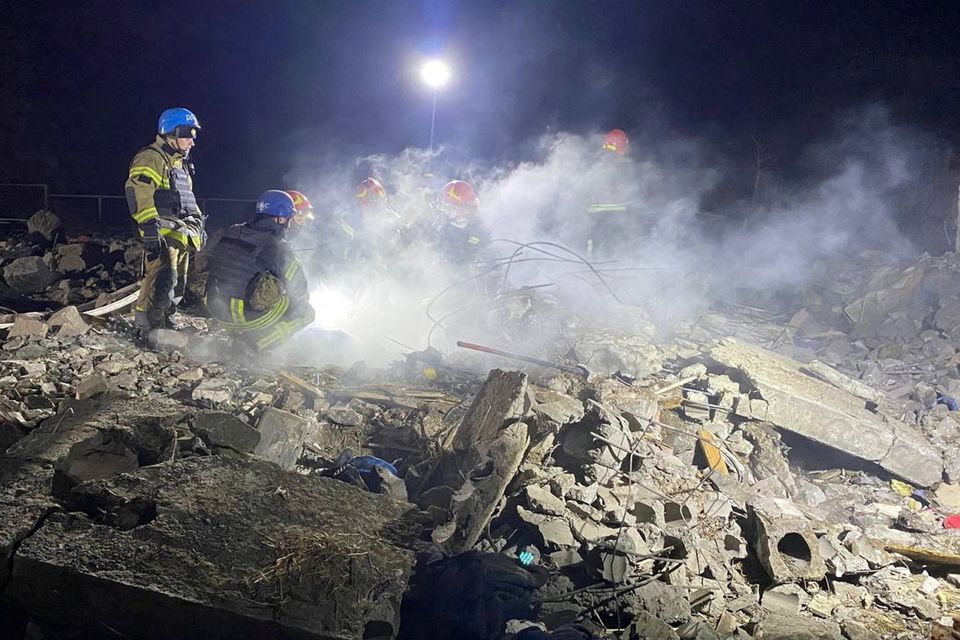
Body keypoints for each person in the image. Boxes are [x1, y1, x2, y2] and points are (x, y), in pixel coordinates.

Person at [125, 107, 206, 341]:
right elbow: (139, 191)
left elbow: (186, 198)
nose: (192, 141)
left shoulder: (180, 163)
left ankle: (166, 322)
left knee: (176, 281)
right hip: (161, 232)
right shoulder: (151, 157)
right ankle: (146, 328)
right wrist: (148, 228)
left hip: (180, 232)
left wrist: (198, 225)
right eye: (188, 134)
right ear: (171, 132)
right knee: (160, 279)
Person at [205, 190, 314, 353]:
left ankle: (241, 332)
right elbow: (300, 290)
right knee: (306, 312)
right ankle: (254, 345)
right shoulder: (278, 247)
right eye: (290, 219)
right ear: (281, 219)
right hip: (242, 317)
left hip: (217, 310)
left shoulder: (231, 231)